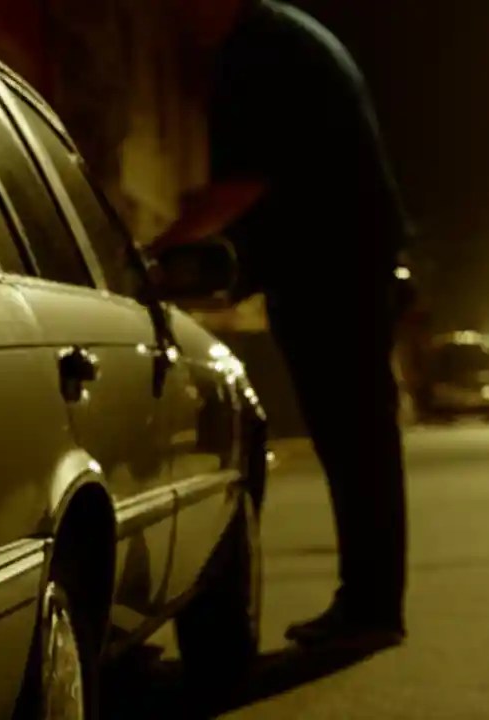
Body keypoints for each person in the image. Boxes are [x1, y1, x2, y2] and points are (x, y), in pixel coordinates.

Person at [155, 0, 409, 647]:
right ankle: (371, 605)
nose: (175, 15)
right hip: (343, 258)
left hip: (331, 265)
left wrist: (152, 255)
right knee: (359, 441)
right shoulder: (286, 39)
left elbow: (242, 186)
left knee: (352, 438)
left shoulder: (256, 50)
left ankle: (370, 611)